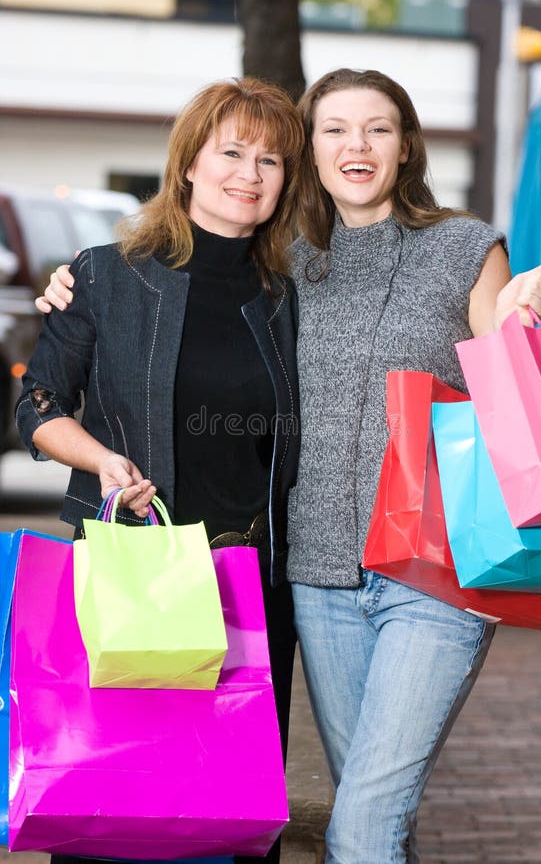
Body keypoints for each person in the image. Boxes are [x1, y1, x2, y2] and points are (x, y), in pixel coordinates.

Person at [37, 67, 541, 863]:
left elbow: (504, 375)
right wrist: (73, 286)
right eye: (335, 129)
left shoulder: (463, 247)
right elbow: (164, 288)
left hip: (434, 570)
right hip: (318, 582)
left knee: (363, 826)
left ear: (406, 146)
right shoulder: (285, 263)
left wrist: (521, 314)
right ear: (311, 152)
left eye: (379, 128)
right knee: (373, 811)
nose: (358, 144)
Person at [18, 76, 304, 864]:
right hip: (132, 576)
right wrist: (103, 461)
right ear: (189, 164)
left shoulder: (286, 296)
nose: (249, 174)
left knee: (231, 808)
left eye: (270, 160)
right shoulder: (106, 275)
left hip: (245, 586)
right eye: (232, 152)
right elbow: (37, 408)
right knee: (113, 797)